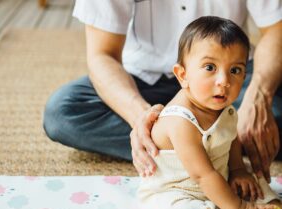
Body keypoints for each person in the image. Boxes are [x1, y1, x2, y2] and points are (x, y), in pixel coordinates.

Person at [43, 1, 282, 183]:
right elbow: (101, 55)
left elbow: (276, 31)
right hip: (141, 81)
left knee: (275, 109)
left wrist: (258, 97)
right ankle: (211, 147)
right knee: (63, 114)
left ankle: (189, 149)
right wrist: (143, 118)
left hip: (227, 78)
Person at [137, 16, 282, 209]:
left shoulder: (222, 105)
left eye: (235, 70)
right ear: (183, 75)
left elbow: (231, 135)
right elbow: (202, 175)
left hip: (219, 178)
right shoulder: (180, 121)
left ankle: (241, 204)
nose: (224, 81)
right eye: (210, 67)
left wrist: (237, 170)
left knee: (258, 186)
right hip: (179, 191)